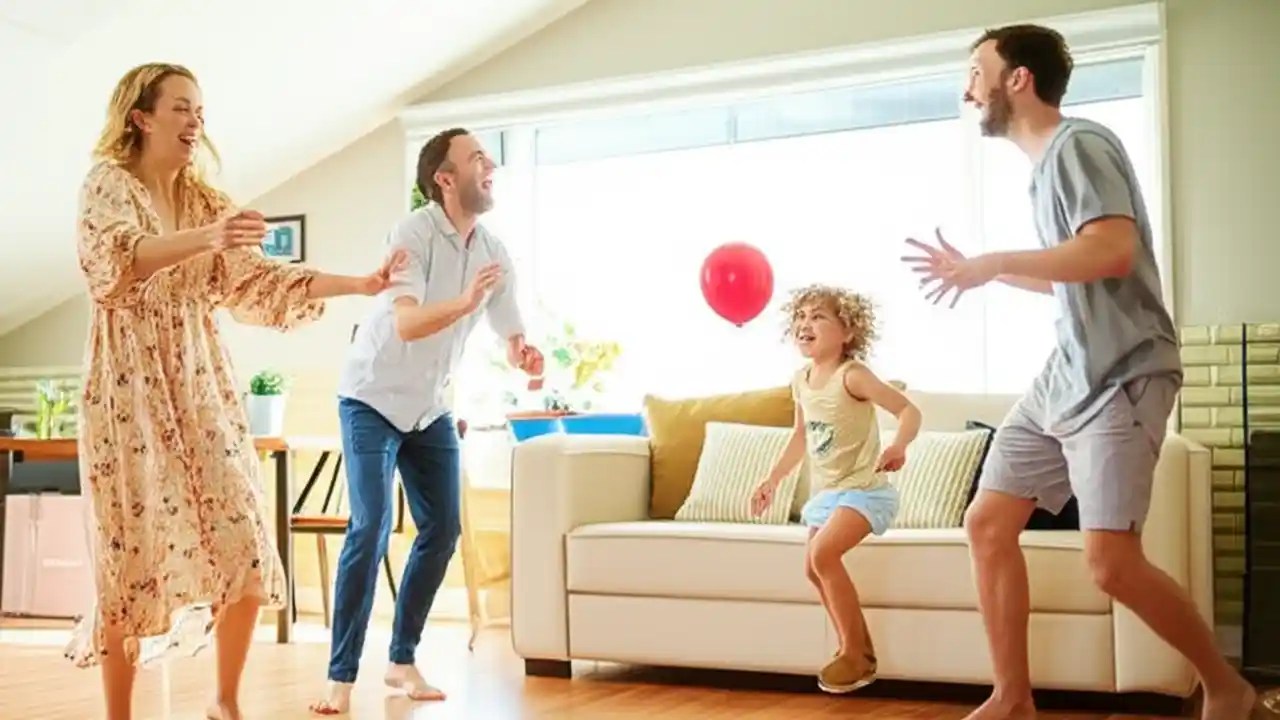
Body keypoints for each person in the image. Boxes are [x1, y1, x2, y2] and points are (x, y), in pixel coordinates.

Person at [902, 25, 1261, 720]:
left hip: (1123, 374)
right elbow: (1075, 275)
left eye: (976, 71)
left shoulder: (1079, 145)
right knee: (987, 523)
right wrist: (984, 273)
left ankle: (1228, 687)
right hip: (1064, 375)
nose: (967, 89)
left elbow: (1112, 251)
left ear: (1018, 78)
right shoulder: (1045, 170)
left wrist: (996, 261)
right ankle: (1012, 698)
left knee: (1111, 564)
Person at [67, 62, 406, 720]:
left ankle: (223, 702)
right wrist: (207, 238)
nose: (196, 122)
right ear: (141, 117)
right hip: (127, 386)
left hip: (200, 380)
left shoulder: (206, 202)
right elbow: (115, 262)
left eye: (199, 111)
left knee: (247, 539)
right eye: (181, 108)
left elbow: (261, 283)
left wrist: (359, 285)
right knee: (127, 554)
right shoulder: (106, 184)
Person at [310, 127, 544, 715]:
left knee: (442, 530)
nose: (489, 165)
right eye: (476, 158)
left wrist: (522, 352)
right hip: (371, 398)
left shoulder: (493, 249)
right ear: (445, 179)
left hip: (429, 407)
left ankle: (401, 659)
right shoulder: (411, 233)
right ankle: (340, 676)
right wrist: (464, 304)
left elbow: (508, 326)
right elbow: (408, 323)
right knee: (371, 527)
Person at [750, 284, 921, 695]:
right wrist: (772, 479)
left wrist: (899, 445)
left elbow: (907, 410)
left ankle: (853, 652)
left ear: (847, 332)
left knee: (823, 554)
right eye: (801, 316)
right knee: (812, 567)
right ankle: (859, 653)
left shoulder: (853, 375)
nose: (805, 324)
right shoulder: (801, 380)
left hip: (864, 491)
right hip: (827, 495)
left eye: (818, 316)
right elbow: (800, 436)